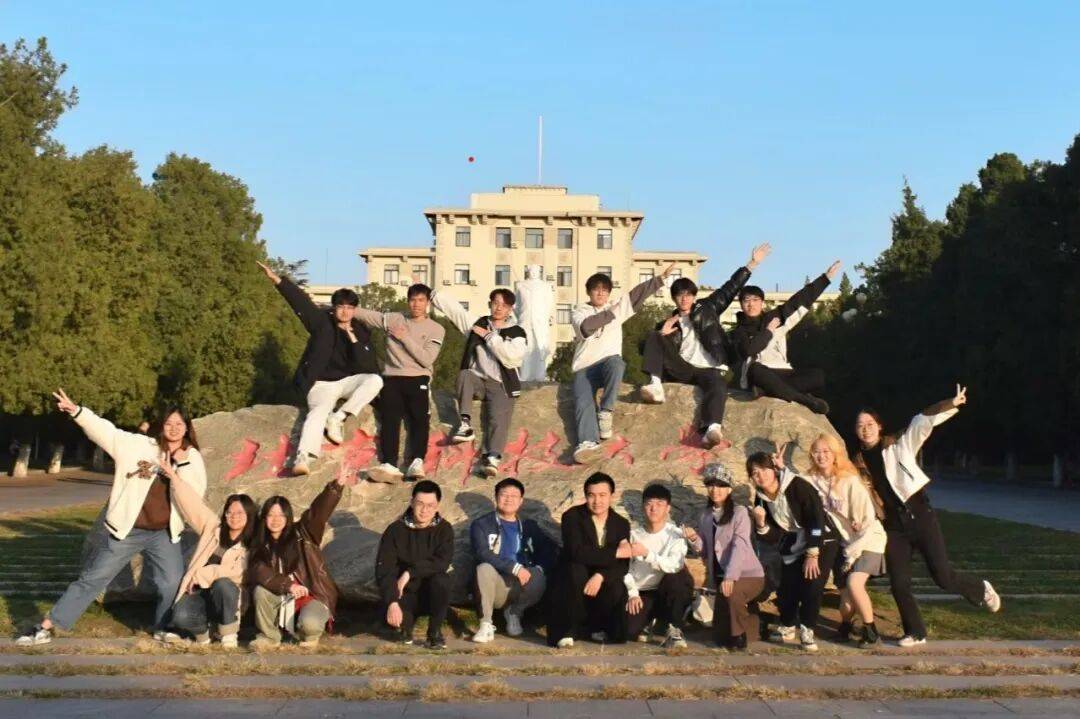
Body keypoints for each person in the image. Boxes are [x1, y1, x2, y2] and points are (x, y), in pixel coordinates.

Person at [17, 389, 207, 646]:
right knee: (93, 579)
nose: (174, 428)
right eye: (169, 423)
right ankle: (46, 626)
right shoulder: (138, 446)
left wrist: (181, 465)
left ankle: (162, 627)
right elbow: (106, 431)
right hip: (128, 531)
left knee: (171, 581)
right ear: (161, 426)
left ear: (187, 428)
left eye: (179, 424)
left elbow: (195, 493)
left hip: (164, 533)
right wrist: (77, 412)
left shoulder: (192, 457)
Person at [852, 386, 1001, 647]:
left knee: (943, 577)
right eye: (860, 425)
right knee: (899, 584)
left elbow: (922, 421)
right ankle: (915, 632)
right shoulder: (857, 462)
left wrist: (951, 403)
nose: (866, 429)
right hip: (893, 527)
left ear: (879, 426)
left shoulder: (897, 444)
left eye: (870, 424)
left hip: (920, 515)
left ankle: (981, 589)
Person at [257, 261, 383, 477]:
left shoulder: (361, 331)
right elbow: (302, 303)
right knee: (317, 412)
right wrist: (277, 280)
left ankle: (338, 417)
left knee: (375, 380)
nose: (345, 311)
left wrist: (352, 338)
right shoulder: (321, 323)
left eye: (350, 308)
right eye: (341, 307)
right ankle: (303, 457)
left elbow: (368, 366)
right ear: (334, 308)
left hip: (347, 383)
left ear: (354, 310)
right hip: (321, 384)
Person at [640, 244, 771, 448]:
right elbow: (647, 350)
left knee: (718, 385)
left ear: (694, 296)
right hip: (683, 368)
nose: (684, 299)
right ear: (674, 299)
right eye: (679, 295)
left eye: (688, 294)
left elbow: (730, 289)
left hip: (709, 368)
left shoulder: (707, 308)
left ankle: (713, 429)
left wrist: (752, 264)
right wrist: (662, 333)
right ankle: (655, 386)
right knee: (654, 335)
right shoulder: (669, 322)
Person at [569, 264, 676, 464]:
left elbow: (637, 295)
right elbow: (586, 327)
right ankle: (587, 442)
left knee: (617, 363)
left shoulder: (616, 307)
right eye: (596, 289)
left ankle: (606, 411)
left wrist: (659, 280)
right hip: (584, 367)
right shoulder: (579, 311)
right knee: (583, 400)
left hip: (607, 364)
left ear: (609, 292)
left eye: (605, 290)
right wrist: (613, 312)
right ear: (589, 292)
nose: (600, 293)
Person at [248, 467, 357, 649]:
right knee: (260, 591)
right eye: (271, 515)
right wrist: (288, 586)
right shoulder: (259, 544)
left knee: (310, 625)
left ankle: (310, 634)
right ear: (264, 518)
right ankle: (269, 637)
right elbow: (260, 571)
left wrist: (335, 487)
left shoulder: (303, 533)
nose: (276, 519)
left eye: (281, 515)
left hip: (312, 595)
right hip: (282, 596)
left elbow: (317, 513)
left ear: (288, 517)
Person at [748, 446, 839, 652]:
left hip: (821, 539)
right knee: (786, 585)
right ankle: (788, 625)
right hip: (793, 543)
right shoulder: (760, 499)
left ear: (774, 469)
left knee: (812, 583)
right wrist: (761, 524)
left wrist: (813, 553)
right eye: (755, 473)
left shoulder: (797, 486)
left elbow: (816, 519)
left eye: (764, 469)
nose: (760, 476)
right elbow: (774, 537)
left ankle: (807, 629)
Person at [352, 283, 445, 483]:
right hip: (392, 377)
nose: (416, 304)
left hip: (418, 377)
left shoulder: (436, 329)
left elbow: (427, 359)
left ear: (428, 303)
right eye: (413, 300)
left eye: (421, 300)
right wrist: (342, 308)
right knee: (389, 420)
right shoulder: (395, 319)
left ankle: (417, 461)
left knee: (419, 419)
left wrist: (404, 338)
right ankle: (389, 463)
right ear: (408, 301)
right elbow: (369, 315)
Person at [432, 284, 528, 477]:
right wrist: (432, 294)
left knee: (498, 419)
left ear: (510, 309)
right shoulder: (479, 324)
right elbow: (456, 311)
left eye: (504, 305)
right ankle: (465, 425)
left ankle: (493, 456)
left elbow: (512, 358)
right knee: (465, 374)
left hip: (501, 384)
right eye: (495, 303)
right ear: (489, 304)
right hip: (478, 381)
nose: (498, 308)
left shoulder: (517, 332)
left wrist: (490, 337)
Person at [805, 433, 886, 646]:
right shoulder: (813, 481)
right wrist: (778, 468)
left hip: (868, 540)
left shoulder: (849, 481)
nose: (821, 456)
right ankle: (846, 626)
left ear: (835, 454)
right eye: (816, 452)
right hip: (846, 544)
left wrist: (851, 556)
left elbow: (868, 521)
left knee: (854, 583)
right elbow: (794, 483)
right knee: (846, 596)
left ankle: (871, 632)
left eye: (826, 451)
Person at [162, 470, 257, 648]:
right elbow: (193, 506)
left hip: (227, 598)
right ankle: (203, 635)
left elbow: (238, 573)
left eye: (240, 513)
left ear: (249, 515)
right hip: (200, 592)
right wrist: (175, 478)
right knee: (181, 617)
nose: (234, 517)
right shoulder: (213, 528)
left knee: (223, 584)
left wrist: (201, 575)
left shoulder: (252, 542)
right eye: (229, 512)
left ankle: (228, 634)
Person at [730, 261, 840, 414]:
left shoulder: (774, 317)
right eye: (746, 300)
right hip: (762, 373)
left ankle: (769, 391)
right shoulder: (739, 331)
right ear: (741, 305)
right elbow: (749, 350)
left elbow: (798, 301)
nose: (751, 304)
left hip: (784, 372)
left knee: (818, 376)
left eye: (755, 300)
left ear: (762, 302)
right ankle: (805, 400)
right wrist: (768, 331)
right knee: (755, 369)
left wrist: (825, 278)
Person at [546, 472, 634, 647]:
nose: (597, 501)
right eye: (591, 495)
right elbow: (577, 552)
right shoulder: (572, 517)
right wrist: (616, 552)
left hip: (602, 577)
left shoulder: (621, 523)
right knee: (575, 570)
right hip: (574, 574)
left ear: (611, 496)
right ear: (586, 496)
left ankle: (600, 628)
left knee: (616, 586)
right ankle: (566, 631)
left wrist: (601, 575)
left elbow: (623, 564)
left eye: (602, 495)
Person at [469, 477, 559, 643]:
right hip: (496, 585)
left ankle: (514, 613)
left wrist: (538, 568)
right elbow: (482, 553)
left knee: (538, 575)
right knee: (483, 568)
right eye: (504, 495)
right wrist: (514, 568)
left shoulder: (528, 526)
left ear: (521, 501)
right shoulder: (481, 524)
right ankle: (486, 624)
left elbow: (549, 548)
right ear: (496, 497)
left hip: (521, 586)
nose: (508, 499)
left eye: (514, 496)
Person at [685, 464, 765, 650]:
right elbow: (705, 551)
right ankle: (755, 624)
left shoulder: (739, 513)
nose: (715, 490)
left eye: (721, 485)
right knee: (719, 636)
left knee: (733, 593)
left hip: (749, 575)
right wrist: (694, 539)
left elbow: (740, 546)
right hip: (720, 578)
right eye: (711, 485)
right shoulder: (705, 515)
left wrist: (730, 577)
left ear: (729, 489)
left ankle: (739, 637)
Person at [376, 479, 455, 649]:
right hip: (404, 592)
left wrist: (409, 573)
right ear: (412, 503)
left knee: (442, 580)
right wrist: (392, 602)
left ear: (437, 506)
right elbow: (385, 569)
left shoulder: (444, 529)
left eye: (430, 505)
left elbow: (441, 562)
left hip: (431, 591)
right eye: (420, 504)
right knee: (400, 634)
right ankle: (404, 627)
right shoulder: (395, 530)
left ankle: (434, 632)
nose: (424, 510)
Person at [623, 483, 695, 648]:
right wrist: (632, 593)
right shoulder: (633, 535)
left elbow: (674, 565)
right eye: (649, 503)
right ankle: (652, 622)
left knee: (678, 577)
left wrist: (647, 554)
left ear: (668, 508)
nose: (653, 508)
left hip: (666, 590)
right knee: (628, 630)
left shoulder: (675, 534)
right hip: (643, 592)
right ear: (643, 507)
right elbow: (624, 570)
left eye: (659, 504)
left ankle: (674, 628)